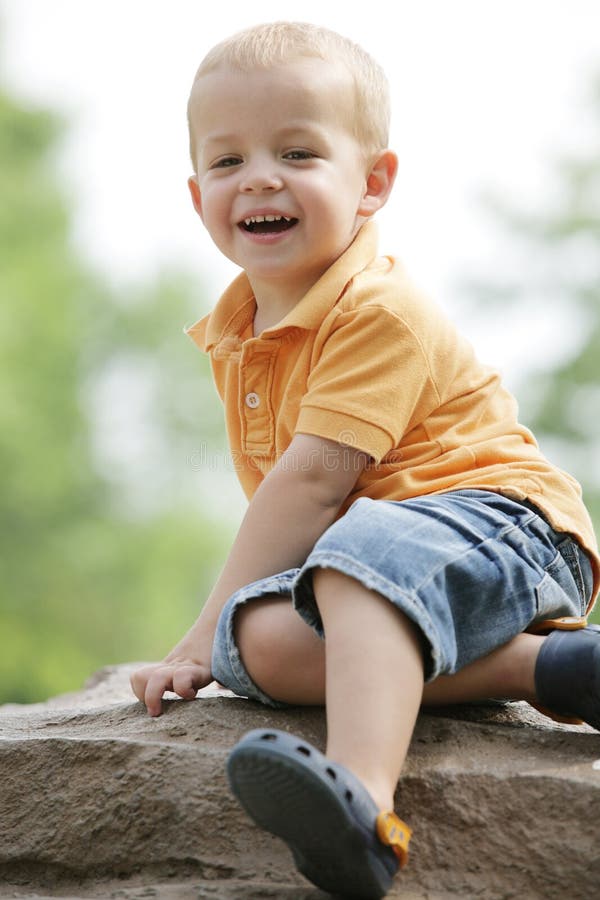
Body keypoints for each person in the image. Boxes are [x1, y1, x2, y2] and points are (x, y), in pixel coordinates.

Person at [130, 21, 600, 899]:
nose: (259, 177)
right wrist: (218, 633)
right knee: (255, 642)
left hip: (509, 528)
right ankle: (554, 669)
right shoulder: (240, 329)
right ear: (197, 197)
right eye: (229, 161)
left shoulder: (378, 307)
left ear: (373, 182)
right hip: (387, 565)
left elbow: (312, 485)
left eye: (297, 152)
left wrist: (193, 630)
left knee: (348, 559)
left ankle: (365, 812)